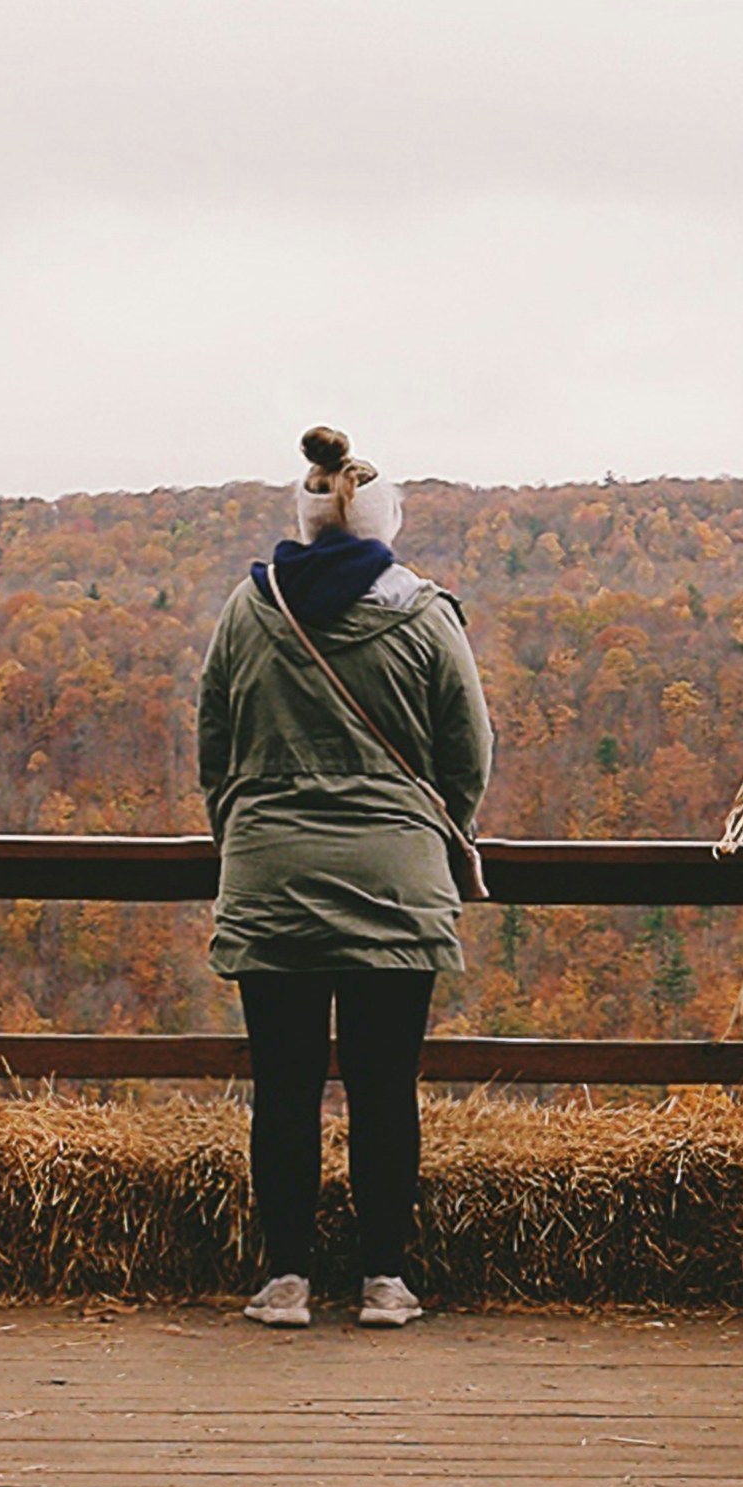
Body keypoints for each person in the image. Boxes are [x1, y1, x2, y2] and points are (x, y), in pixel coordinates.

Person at [196, 428, 497, 1330]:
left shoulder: (248, 614)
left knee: (283, 1088)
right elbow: (467, 753)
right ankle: (383, 1281)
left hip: (271, 875)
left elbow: (215, 744)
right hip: (397, 880)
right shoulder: (428, 617)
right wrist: (438, 834)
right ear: (384, 524)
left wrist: (242, 834)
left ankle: (285, 1281)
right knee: (383, 1085)